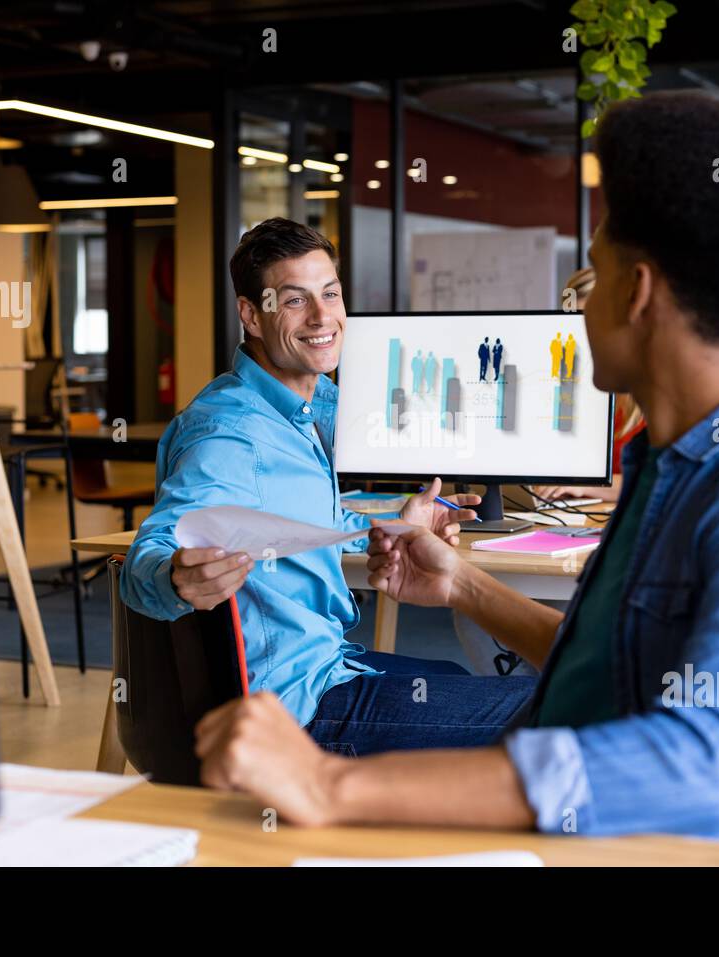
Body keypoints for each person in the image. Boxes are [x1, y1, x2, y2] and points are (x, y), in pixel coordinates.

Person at [191, 93, 719, 841]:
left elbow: (700, 762)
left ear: (637, 294)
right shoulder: (665, 465)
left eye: (594, 279)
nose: (575, 312)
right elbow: (618, 667)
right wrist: (463, 584)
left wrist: (330, 781)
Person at [122, 217, 537, 756]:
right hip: (296, 714)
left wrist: (392, 524)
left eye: (331, 294)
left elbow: (301, 521)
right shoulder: (230, 435)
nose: (323, 317)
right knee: (543, 704)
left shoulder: (300, 411)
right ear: (252, 314)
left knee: (455, 675)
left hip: (330, 665)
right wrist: (175, 579)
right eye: (295, 301)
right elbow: (150, 553)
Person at [535, 267, 644, 505]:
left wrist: (584, 484)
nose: (582, 334)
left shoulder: (650, 395)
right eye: (570, 320)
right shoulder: (566, 387)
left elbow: (653, 483)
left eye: (588, 322)